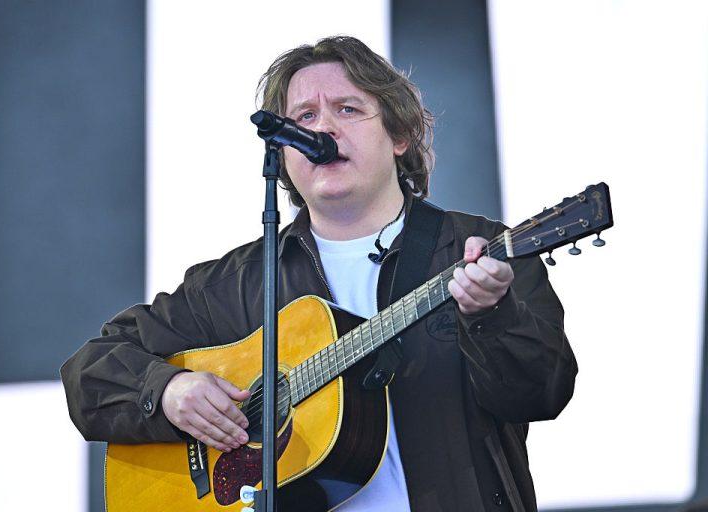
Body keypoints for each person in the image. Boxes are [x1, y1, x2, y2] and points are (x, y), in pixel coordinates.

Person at [61, 35, 577, 512]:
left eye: (348, 109)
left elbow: (542, 393)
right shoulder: (237, 284)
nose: (322, 129)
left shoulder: (478, 250)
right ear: (284, 153)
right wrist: (170, 390)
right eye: (303, 117)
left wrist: (491, 314)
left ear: (399, 136)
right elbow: (90, 372)